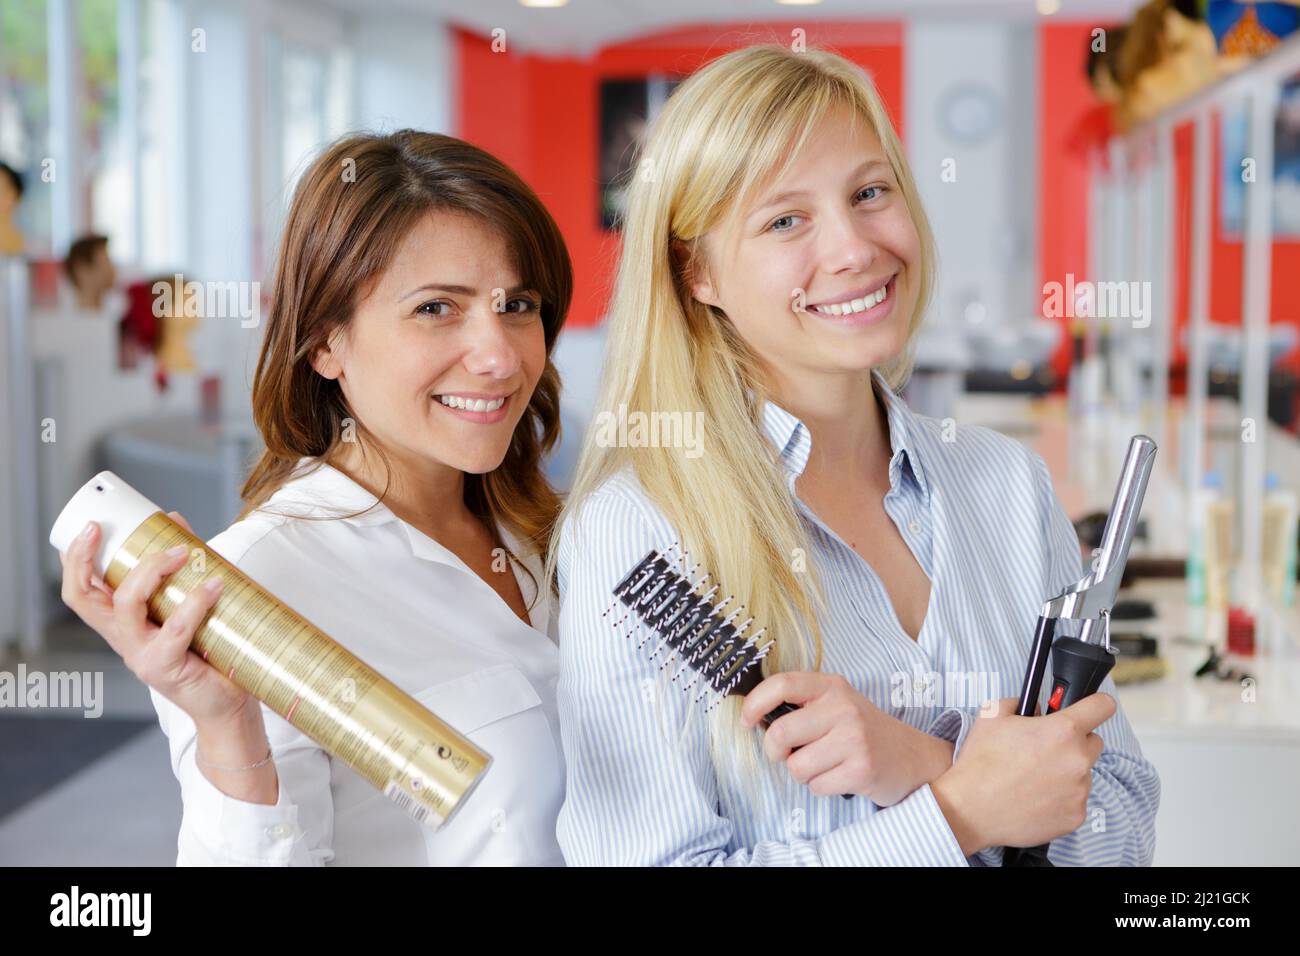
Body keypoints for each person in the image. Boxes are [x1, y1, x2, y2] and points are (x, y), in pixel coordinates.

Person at [551, 45, 1161, 866]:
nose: (853, 249)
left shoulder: (1008, 485)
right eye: (785, 220)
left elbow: (1123, 820)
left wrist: (922, 765)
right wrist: (953, 816)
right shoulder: (640, 531)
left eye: (870, 193)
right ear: (697, 273)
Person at [58, 130, 572, 865]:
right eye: (436, 309)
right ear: (326, 342)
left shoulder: (551, 533)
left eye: (517, 304)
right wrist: (227, 730)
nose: (499, 356)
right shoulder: (260, 586)